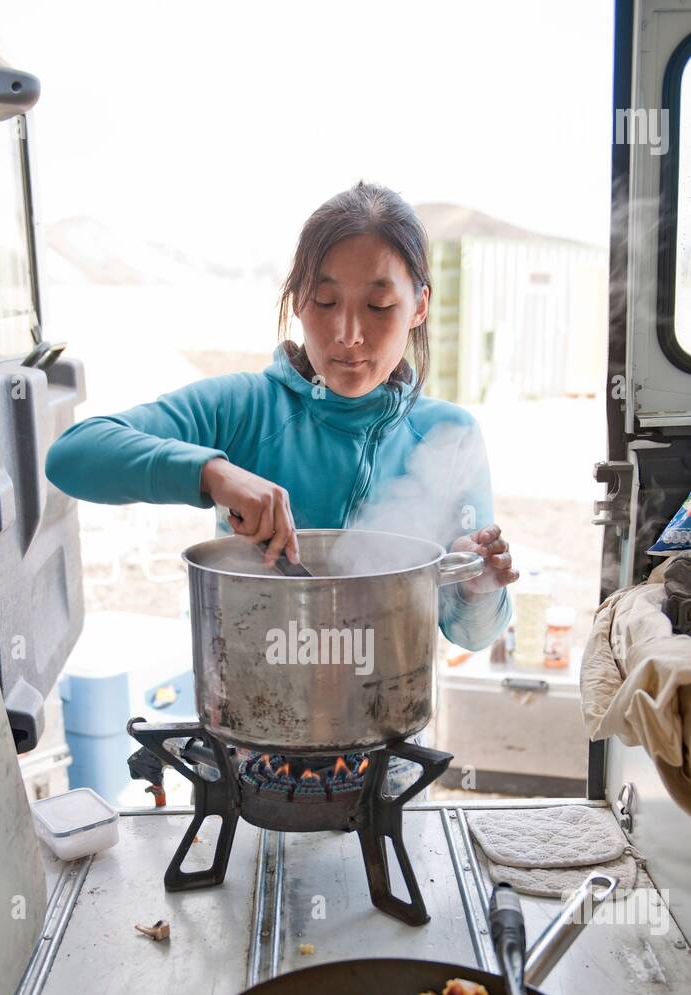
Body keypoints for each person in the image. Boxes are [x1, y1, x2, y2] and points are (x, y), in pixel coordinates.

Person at [46, 181, 519, 790]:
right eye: (325, 302)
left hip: (386, 749)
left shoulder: (449, 436)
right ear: (297, 300)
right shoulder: (242, 409)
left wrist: (480, 587)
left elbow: (470, 634)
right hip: (250, 743)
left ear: (420, 306)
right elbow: (73, 455)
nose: (349, 333)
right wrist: (212, 473)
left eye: (379, 308)